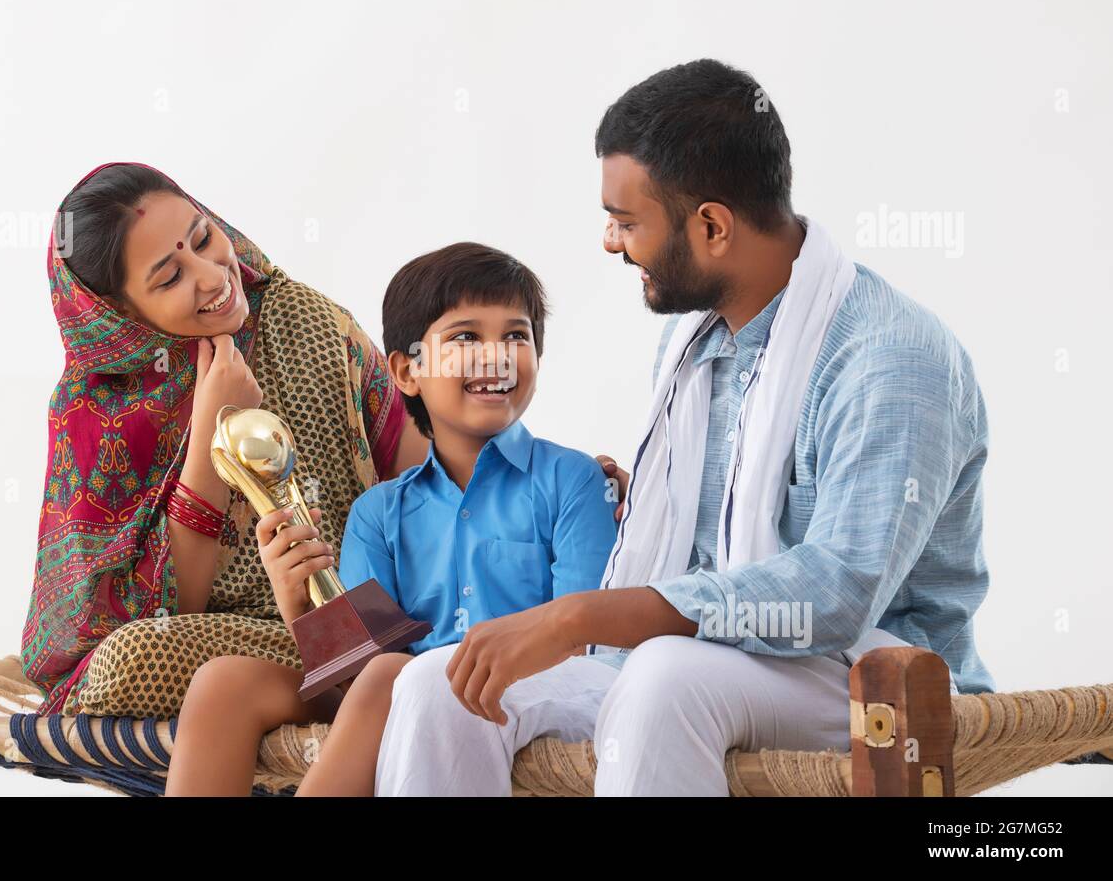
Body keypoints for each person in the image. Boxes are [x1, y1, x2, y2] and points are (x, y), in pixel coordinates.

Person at [373, 59, 996, 796]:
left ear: (711, 226)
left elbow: (836, 593)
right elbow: (716, 535)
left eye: (627, 221)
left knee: (667, 675)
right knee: (434, 684)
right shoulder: (694, 344)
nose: (610, 242)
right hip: (692, 664)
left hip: (870, 671)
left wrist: (579, 616)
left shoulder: (889, 358)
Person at [169, 243, 620, 796]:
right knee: (224, 683)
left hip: (540, 691)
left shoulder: (573, 481)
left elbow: (587, 642)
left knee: (396, 675)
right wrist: (298, 605)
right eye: (466, 337)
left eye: (516, 336)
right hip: (392, 695)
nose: (497, 355)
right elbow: (358, 672)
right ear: (407, 371)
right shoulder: (379, 514)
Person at [21, 161, 427, 758]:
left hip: (366, 609)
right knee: (130, 662)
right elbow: (154, 618)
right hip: (226, 640)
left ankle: (360, 675)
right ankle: (340, 685)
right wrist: (209, 437)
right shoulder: (93, 411)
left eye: (204, 237)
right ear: (118, 315)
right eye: (169, 277)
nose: (214, 276)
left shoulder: (303, 320)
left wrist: (544, 479)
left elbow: (426, 469)